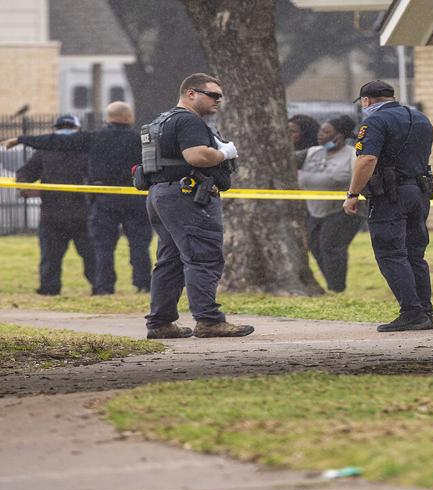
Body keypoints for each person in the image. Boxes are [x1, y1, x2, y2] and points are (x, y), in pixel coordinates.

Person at [140, 73, 253, 339]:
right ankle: (209, 320)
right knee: (203, 257)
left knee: (170, 261)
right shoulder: (189, 120)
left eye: (220, 96)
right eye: (213, 95)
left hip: (161, 193)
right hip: (186, 196)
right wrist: (225, 152)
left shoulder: (162, 120)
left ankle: (161, 323)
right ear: (191, 93)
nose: (218, 101)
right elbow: (197, 156)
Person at [5, 102, 153, 294]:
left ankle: (104, 288)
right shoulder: (139, 139)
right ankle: (143, 284)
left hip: (103, 198)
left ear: (108, 118)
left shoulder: (95, 138)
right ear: (129, 118)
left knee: (103, 248)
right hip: (134, 196)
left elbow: (54, 142)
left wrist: (21, 139)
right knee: (139, 244)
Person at [344, 80, 433, 332]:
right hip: (419, 192)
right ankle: (426, 311)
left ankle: (412, 312)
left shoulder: (374, 122)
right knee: (415, 254)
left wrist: (353, 194)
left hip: (390, 196)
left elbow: (367, 159)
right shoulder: (420, 119)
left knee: (391, 254)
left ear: (366, 101)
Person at [11, 114, 95, 295]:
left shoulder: (44, 152)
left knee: (50, 257)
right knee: (91, 256)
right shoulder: (86, 152)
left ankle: (49, 289)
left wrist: (27, 189)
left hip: (52, 214)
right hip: (81, 214)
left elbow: (24, 174)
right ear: (78, 130)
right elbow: (98, 179)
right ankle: (100, 288)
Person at [298, 114, 361, 292]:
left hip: (342, 211)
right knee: (315, 246)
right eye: (320, 130)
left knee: (330, 246)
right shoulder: (312, 152)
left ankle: (337, 289)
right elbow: (285, 161)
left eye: (326, 132)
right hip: (314, 209)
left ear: (339, 136)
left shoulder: (352, 155)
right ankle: (331, 286)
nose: (320, 135)